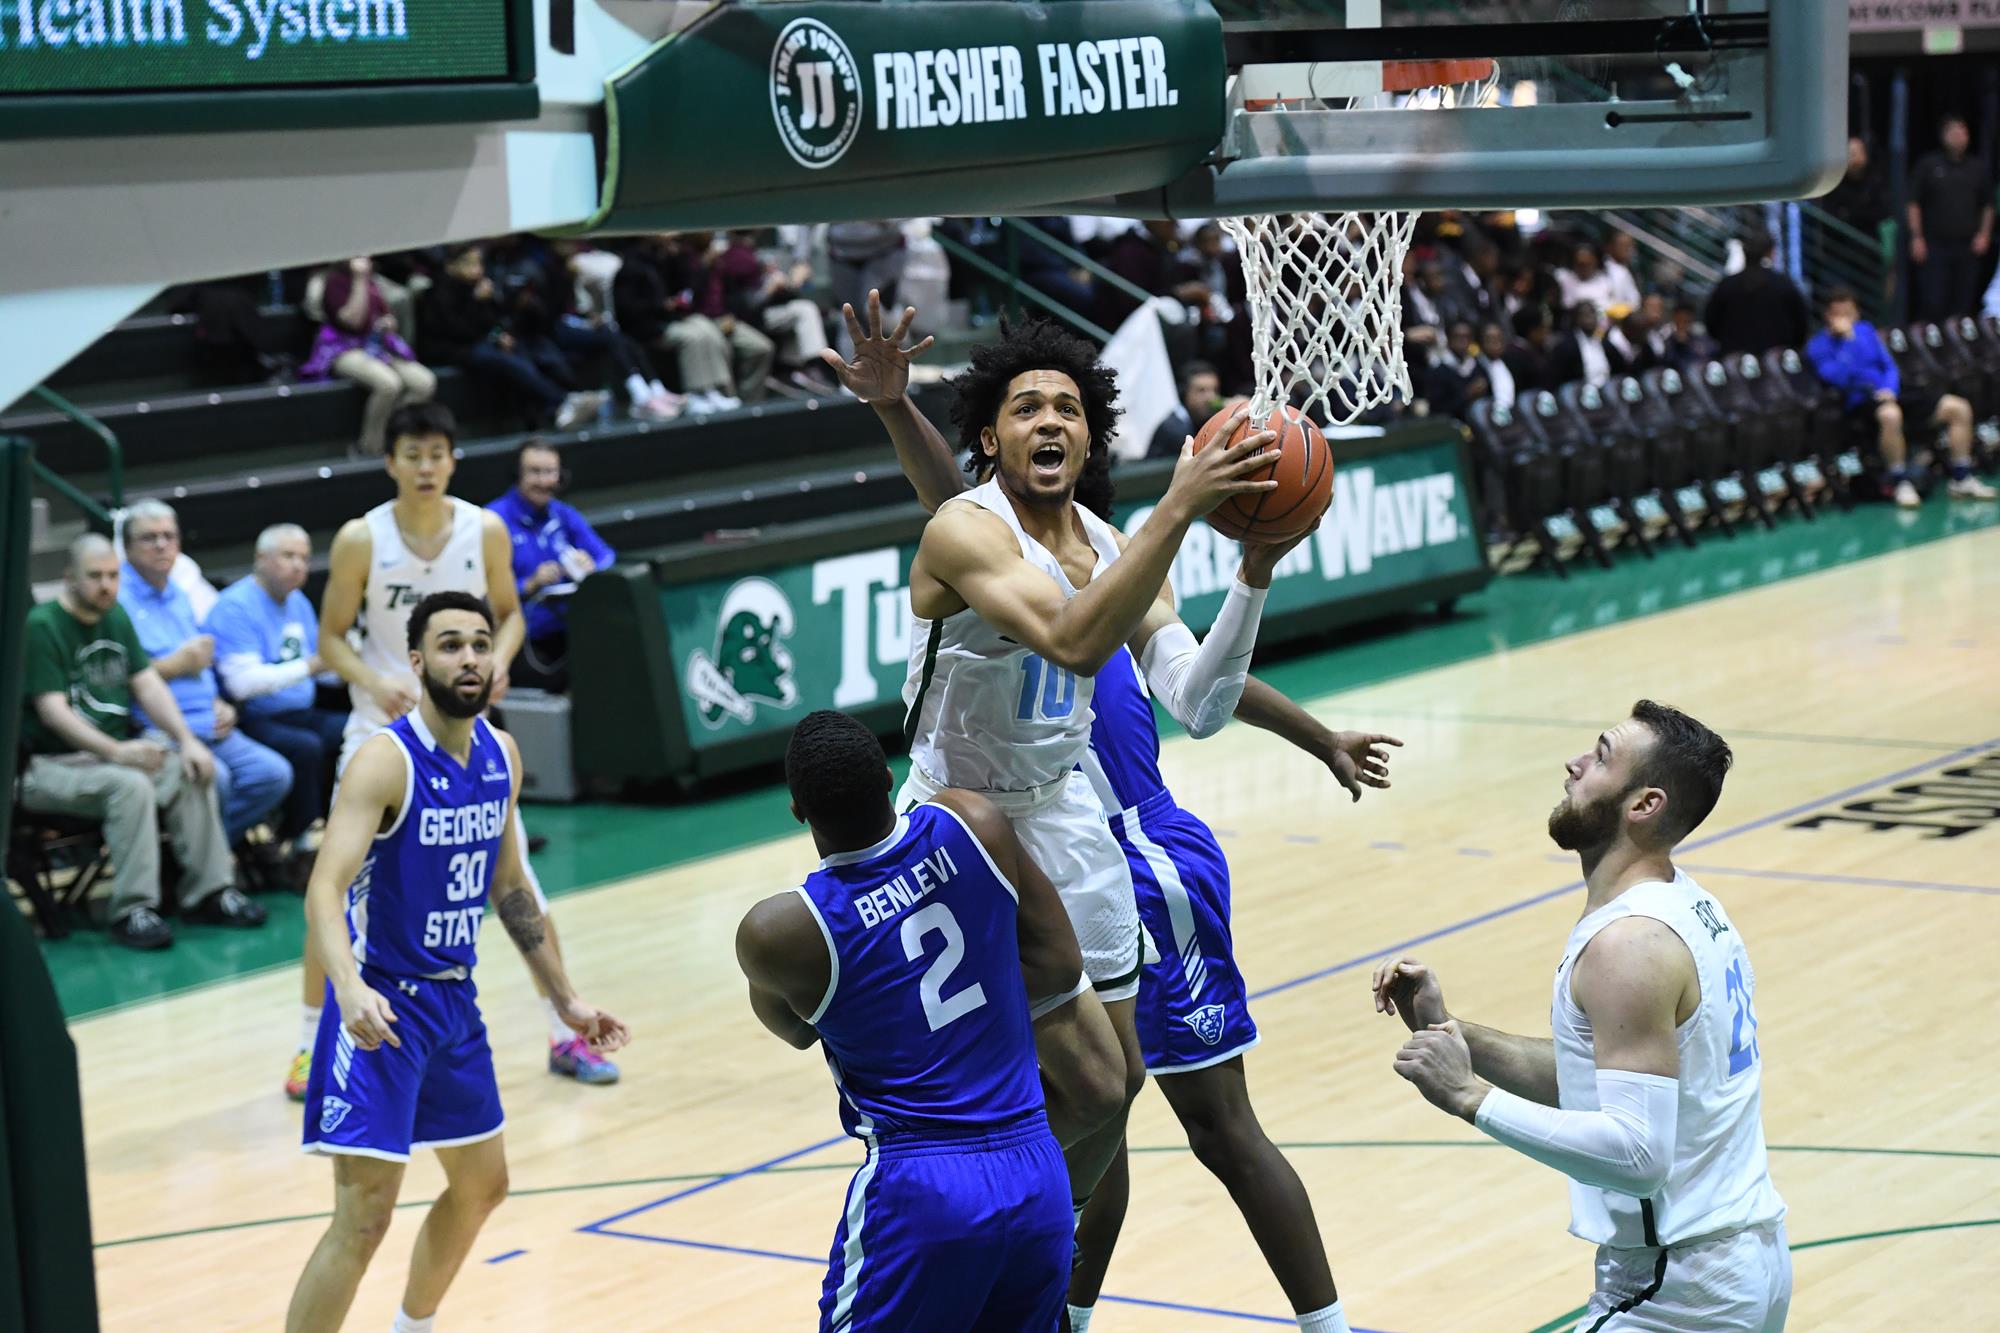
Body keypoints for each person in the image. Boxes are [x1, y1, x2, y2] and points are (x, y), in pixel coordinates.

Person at [831, 293, 1401, 1333]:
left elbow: (1199, 701)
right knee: (1035, 1087)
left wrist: (1253, 574)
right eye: (1025, 408)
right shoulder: (963, 528)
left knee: (1117, 1083)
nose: (1049, 421)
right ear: (990, 438)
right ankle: (977, 1259)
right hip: (960, 830)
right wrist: (1179, 507)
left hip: (1064, 821)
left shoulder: (1106, 540)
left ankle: (1036, 1276)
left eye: (1067, 409)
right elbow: (1073, 641)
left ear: (1091, 438)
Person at [1375, 701, 1791, 1332]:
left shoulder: (1629, 944)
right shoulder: (1682, 903)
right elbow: (1595, 1081)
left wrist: (1468, 1096)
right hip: (1730, 1262)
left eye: (1600, 758)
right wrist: (1452, 1031)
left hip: (1678, 1290)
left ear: (1644, 804)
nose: (1573, 764)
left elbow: (1638, 1153)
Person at [285, 592, 629, 1333]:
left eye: (479, 643)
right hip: (380, 1006)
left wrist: (564, 1000)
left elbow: (510, 885)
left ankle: (413, 1327)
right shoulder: (384, 760)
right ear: (417, 661)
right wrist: (348, 988)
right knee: (365, 1215)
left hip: (453, 1001)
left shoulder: (501, 753)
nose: (470, 658)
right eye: (450, 645)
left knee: (482, 1186)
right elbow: (324, 889)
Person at [737, 710, 1126, 1331]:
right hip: (1036, 1168)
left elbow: (797, 1030)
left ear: (797, 810)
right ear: (889, 780)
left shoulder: (781, 932)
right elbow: (1059, 964)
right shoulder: (973, 822)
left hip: (920, 1187)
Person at [289, 402, 615, 1102]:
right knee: (337, 885)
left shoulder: (484, 528)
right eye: (413, 454)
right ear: (391, 462)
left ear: (452, 460)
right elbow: (330, 638)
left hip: (464, 734)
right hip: (381, 734)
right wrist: (375, 679)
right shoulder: (361, 538)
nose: (426, 466)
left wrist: (498, 661)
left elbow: (511, 614)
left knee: (517, 879)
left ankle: (562, 1027)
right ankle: (311, 1038)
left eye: (437, 453)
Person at [18, 535, 264, 949]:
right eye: (95, 576)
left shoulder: (115, 616)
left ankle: (210, 892)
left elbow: (148, 684)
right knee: (129, 786)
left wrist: (186, 740)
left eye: (113, 576)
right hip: (47, 766)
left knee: (189, 770)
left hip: (109, 757)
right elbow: (52, 711)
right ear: (69, 577)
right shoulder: (42, 625)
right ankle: (132, 910)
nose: (106, 586)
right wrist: (116, 752)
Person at [119, 500, 293, 858]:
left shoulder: (179, 594)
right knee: (216, 778)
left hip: (210, 722)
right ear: (127, 546)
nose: (161, 545)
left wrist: (219, 702)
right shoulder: (116, 600)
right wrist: (176, 664)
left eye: (169, 536)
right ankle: (206, 863)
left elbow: (201, 667)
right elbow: (121, 677)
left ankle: (194, 857)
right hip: (159, 731)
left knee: (273, 775)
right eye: (149, 538)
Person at [207, 523, 349, 872]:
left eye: (304, 557)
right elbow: (242, 684)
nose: (299, 565)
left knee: (352, 730)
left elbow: (321, 668)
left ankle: (339, 831)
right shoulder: (235, 606)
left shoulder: (298, 602)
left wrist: (349, 661)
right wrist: (312, 666)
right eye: (288, 556)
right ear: (261, 558)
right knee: (306, 747)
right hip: (250, 715)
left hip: (300, 709)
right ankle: (298, 842)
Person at [1805, 289, 1995, 505]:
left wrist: (1889, 390)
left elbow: (1889, 366)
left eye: (1849, 313)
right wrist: (1848, 342)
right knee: (1890, 415)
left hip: (1890, 393)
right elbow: (1838, 377)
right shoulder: (1818, 346)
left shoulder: (1866, 331)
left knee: (1957, 407)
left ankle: (1962, 477)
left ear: (1856, 313)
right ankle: (1900, 482)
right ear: (1828, 316)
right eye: (1839, 314)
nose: (1845, 319)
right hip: (1859, 401)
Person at [419, 244, 607, 432]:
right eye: (468, 263)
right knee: (506, 361)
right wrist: (476, 304)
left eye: (478, 263)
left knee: (527, 349)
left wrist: (498, 333)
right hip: (453, 348)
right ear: (451, 266)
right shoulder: (439, 292)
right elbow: (458, 330)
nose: (476, 269)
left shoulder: (480, 286)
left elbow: (494, 321)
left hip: (481, 341)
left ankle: (552, 410)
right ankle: (562, 401)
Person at [487, 440, 616, 692]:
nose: (544, 481)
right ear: (518, 474)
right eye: (535, 472)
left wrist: (591, 565)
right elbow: (482, 590)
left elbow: (607, 556)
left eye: (550, 472)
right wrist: (529, 584)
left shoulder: (563, 514)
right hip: (522, 639)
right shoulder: (494, 520)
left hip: (571, 629)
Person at [299, 257, 438, 457]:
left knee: (424, 382)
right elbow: (352, 321)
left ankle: (392, 436)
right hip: (340, 348)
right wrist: (359, 279)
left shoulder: (372, 280)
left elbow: (384, 315)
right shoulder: (333, 281)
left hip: (375, 346)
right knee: (388, 384)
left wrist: (387, 322)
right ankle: (369, 447)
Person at [1908, 114, 1995, 322]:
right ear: (1943, 136)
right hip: (1935, 245)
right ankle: (1932, 338)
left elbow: (1988, 205)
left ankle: (1959, 341)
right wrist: (1916, 237)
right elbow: (1913, 203)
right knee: (1934, 299)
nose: (1959, 137)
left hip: (1967, 245)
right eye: (1954, 132)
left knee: (1963, 300)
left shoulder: (1978, 168)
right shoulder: (1928, 165)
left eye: (1963, 132)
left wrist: (1984, 234)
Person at [1702, 233, 1809, 357]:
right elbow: (1800, 326)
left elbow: (1711, 324)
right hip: (1777, 362)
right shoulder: (1784, 285)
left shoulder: (1727, 285)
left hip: (1734, 361)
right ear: (1771, 253)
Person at [1147, 360, 1224, 459]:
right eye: (1201, 391)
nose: (1211, 398)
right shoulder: (1174, 429)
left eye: (1215, 390)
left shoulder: (1198, 419)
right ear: (1184, 393)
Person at [1546, 303, 1631, 389]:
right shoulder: (1567, 346)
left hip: (1606, 389)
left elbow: (1621, 368)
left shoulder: (1605, 343)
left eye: (1592, 314)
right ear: (1576, 319)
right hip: (1579, 391)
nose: (1590, 319)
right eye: (1585, 315)